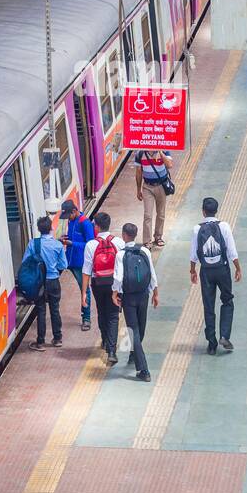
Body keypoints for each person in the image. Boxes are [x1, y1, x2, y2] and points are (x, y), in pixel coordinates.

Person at [190, 196, 242, 355]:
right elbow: (231, 250)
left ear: (203, 212)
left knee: (208, 305)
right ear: (217, 210)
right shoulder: (224, 226)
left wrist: (192, 270)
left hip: (206, 271)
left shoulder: (197, 229)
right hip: (223, 269)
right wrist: (238, 268)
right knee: (227, 300)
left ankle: (211, 343)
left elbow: (193, 253)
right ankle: (224, 335)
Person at [112, 222, 159, 382]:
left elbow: (118, 278)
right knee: (141, 327)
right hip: (144, 295)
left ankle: (144, 370)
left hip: (129, 298)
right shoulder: (144, 250)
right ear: (136, 234)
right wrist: (156, 293)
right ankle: (135, 354)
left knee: (134, 330)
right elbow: (152, 273)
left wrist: (114, 293)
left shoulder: (121, 255)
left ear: (124, 235)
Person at [82, 212, 123, 364]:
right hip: (114, 284)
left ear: (97, 227)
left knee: (101, 312)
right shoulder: (119, 243)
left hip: (97, 283)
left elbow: (86, 271)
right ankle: (111, 351)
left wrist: (83, 294)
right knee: (113, 315)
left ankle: (105, 340)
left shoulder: (91, 245)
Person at [28, 216, 68, 351]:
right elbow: (64, 264)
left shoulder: (33, 244)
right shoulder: (57, 245)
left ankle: (40, 342)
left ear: (39, 229)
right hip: (54, 281)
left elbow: (25, 263)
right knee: (55, 310)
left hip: (39, 283)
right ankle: (57, 339)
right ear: (51, 228)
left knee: (41, 311)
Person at [59, 199, 96, 333]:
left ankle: (86, 318)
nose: (67, 218)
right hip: (70, 261)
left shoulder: (85, 223)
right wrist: (65, 238)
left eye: (68, 215)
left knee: (84, 290)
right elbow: (73, 237)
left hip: (81, 263)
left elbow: (90, 244)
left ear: (74, 211)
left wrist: (72, 243)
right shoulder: (72, 220)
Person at [135, 149, 174, 248]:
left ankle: (158, 236)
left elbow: (169, 165)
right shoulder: (140, 153)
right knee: (147, 215)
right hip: (147, 187)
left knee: (161, 214)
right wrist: (138, 189)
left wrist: (160, 153)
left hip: (161, 186)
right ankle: (147, 241)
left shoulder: (164, 150)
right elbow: (139, 172)